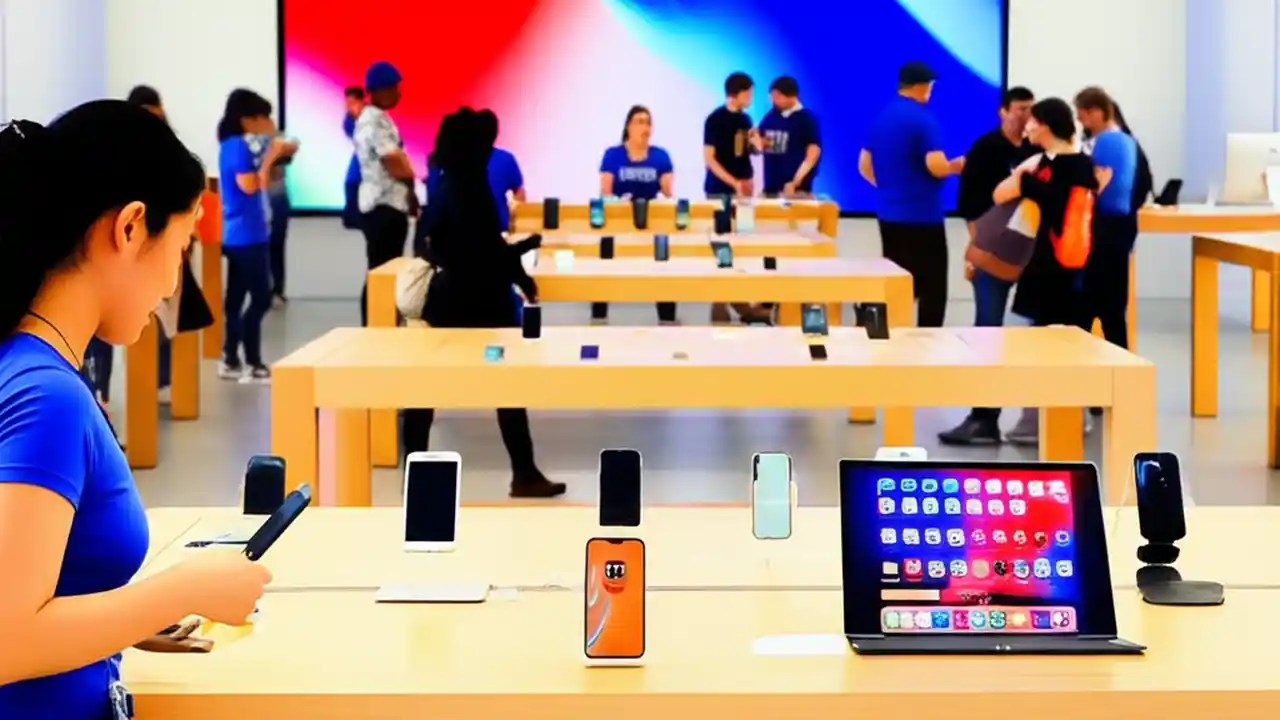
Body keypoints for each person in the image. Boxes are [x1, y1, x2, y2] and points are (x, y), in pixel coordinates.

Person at [0, 101, 270, 719]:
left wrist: (123, 619)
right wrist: (181, 589)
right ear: (129, 228)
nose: (174, 285)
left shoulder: (25, 366)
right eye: (180, 249)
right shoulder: (48, 397)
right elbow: (7, 639)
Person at [403, 107, 564, 498]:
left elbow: (434, 241)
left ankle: (414, 472)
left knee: (424, 389)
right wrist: (521, 271)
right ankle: (524, 472)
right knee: (506, 386)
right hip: (482, 301)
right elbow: (487, 248)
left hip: (447, 299)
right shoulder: (469, 185)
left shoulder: (444, 181)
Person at [992, 97, 1106, 445]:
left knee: (1050, 347)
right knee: (1050, 345)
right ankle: (1051, 418)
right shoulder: (1061, 164)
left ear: (1046, 125)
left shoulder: (1067, 167)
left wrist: (1027, 183)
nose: (1027, 126)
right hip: (1056, 270)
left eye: (1034, 121)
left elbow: (1054, 202)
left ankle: (1046, 420)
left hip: (1060, 273)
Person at [939, 86, 1036, 446]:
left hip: (1032, 254)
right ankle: (984, 418)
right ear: (1003, 111)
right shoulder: (986, 148)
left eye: (1030, 110)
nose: (1025, 116)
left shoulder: (1036, 152)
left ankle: (1042, 418)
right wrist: (978, 251)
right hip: (994, 252)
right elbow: (969, 204)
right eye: (1019, 109)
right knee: (987, 331)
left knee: (1040, 335)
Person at [860, 61, 965, 327]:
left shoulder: (882, 117)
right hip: (923, 217)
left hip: (888, 214)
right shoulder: (923, 119)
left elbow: (864, 165)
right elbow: (935, 165)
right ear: (922, 86)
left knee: (897, 284)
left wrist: (890, 189)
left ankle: (884, 336)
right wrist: (956, 166)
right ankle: (927, 342)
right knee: (932, 289)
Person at [217, 88, 297, 382]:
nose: (267, 123)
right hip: (246, 236)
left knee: (237, 300)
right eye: (262, 117)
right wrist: (269, 158)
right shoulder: (237, 146)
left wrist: (273, 155)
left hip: (245, 234)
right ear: (247, 119)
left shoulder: (233, 144)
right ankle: (252, 361)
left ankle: (231, 358)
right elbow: (250, 185)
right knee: (261, 297)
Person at [593, 105, 677, 325]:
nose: (645, 127)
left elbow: (668, 193)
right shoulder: (613, 155)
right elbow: (605, 192)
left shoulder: (660, 156)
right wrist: (618, 203)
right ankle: (598, 316)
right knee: (604, 258)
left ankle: (667, 318)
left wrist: (665, 195)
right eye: (639, 122)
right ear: (628, 127)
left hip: (651, 223)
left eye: (648, 122)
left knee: (664, 261)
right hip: (618, 222)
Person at [1075, 87, 1140, 351]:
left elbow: (1091, 187)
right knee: (1113, 312)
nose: (1081, 123)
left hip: (1102, 232)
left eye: (1083, 116)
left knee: (1088, 306)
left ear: (1096, 112)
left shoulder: (1106, 143)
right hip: (1120, 232)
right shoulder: (1128, 141)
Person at [703, 72, 770, 324]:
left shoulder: (746, 119)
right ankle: (719, 304)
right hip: (719, 192)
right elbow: (710, 159)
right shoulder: (715, 120)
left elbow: (747, 152)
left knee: (743, 243)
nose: (751, 97)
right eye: (748, 92)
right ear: (737, 93)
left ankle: (741, 302)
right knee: (722, 246)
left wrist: (757, 143)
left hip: (744, 194)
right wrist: (734, 184)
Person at [355, 61, 416, 326]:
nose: (398, 93)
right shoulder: (374, 120)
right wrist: (411, 179)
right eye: (394, 88)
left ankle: (382, 324)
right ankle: (376, 326)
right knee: (382, 271)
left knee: (386, 269)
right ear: (378, 90)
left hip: (389, 205)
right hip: (383, 206)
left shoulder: (379, 117)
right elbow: (392, 159)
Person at [758, 76, 821, 197]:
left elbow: (813, 154)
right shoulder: (770, 117)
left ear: (792, 96)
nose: (773, 101)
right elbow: (763, 143)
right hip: (771, 190)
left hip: (796, 191)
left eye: (777, 97)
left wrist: (795, 181)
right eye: (772, 97)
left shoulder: (806, 119)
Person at [342, 86, 365, 230]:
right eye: (347, 102)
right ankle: (352, 216)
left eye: (352, 102)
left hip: (376, 156)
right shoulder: (349, 118)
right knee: (351, 181)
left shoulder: (373, 115)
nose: (348, 106)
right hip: (361, 154)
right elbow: (350, 131)